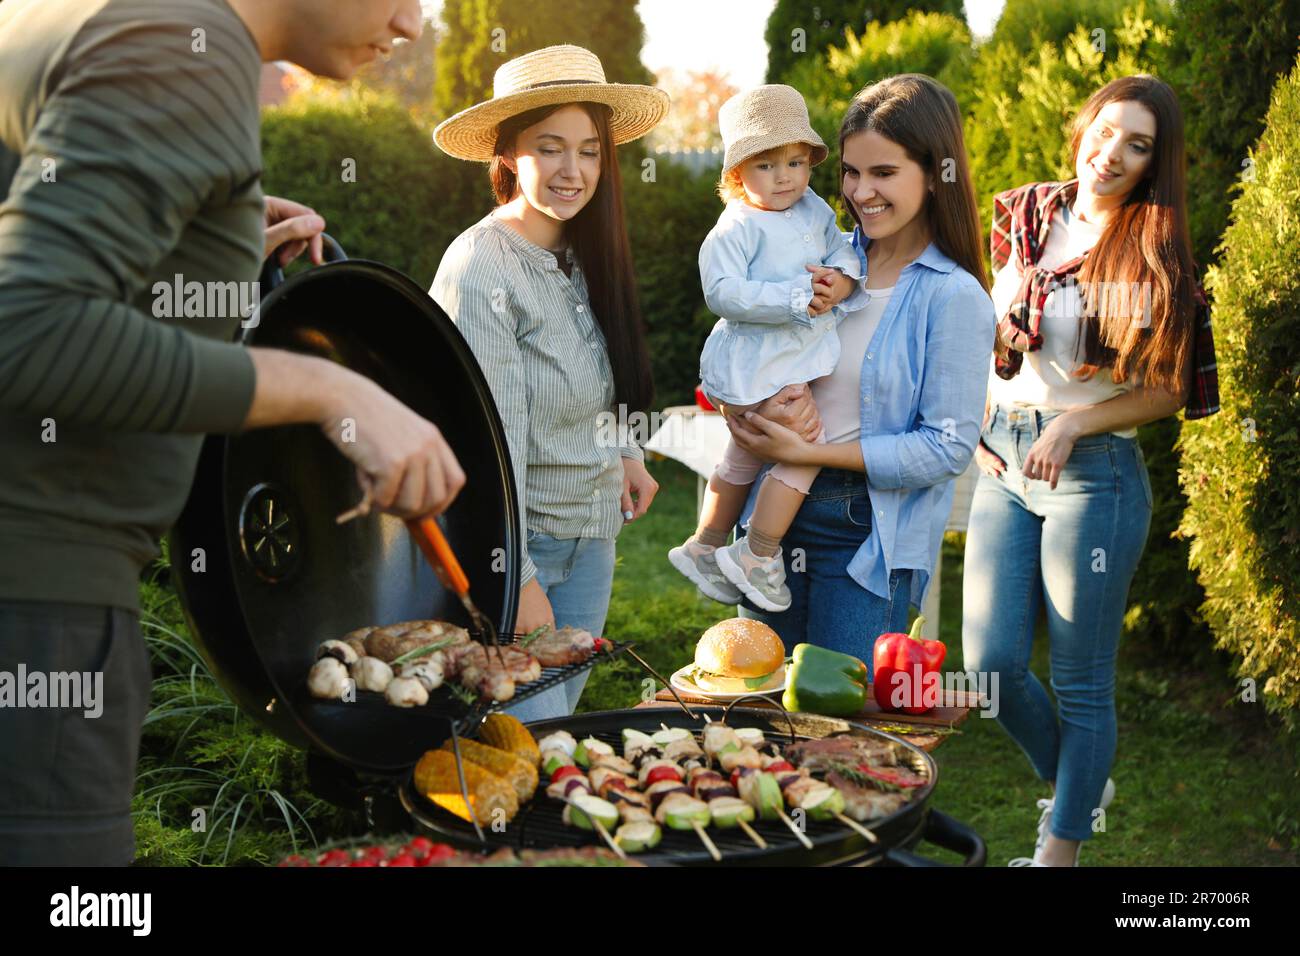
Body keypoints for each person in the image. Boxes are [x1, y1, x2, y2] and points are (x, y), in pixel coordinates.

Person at [0, 0, 463, 866]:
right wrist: (328, 388)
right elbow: (30, 331)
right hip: (36, 607)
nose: (410, 23)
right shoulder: (181, 50)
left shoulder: (111, 19)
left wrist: (204, 241)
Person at [960, 75, 1220, 867]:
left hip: (1092, 475)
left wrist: (1074, 420)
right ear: (1087, 126)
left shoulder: (1152, 245)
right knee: (991, 666)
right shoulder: (1029, 213)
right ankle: (1078, 779)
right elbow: (996, 327)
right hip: (1004, 460)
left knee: (1080, 681)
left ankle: (1058, 853)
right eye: (1106, 131)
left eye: (1136, 144)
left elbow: (1170, 389)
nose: (1111, 154)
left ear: (1153, 160)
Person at [725, 74, 995, 661]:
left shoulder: (954, 296)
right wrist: (740, 407)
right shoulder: (822, 260)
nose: (860, 191)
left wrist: (811, 454)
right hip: (770, 525)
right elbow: (748, 348)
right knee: (759, 716)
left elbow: (947, 448)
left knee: (840, 735)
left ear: (934, 172)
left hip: (865, 533)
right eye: (850, 171)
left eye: (884, 173)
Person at [667, 84, 868, 614]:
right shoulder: (735, 227)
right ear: (736, 175)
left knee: (747, 449)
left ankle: (707, 542)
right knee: (804, 444)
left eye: (796, 162)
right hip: (761, 362)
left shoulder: (812, 208)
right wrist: (798, 297)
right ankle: (758, 551)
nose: (784, 177)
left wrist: (841, 281)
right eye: (766, 166)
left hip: (787, 358)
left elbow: (842, 247)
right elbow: (722, 292)